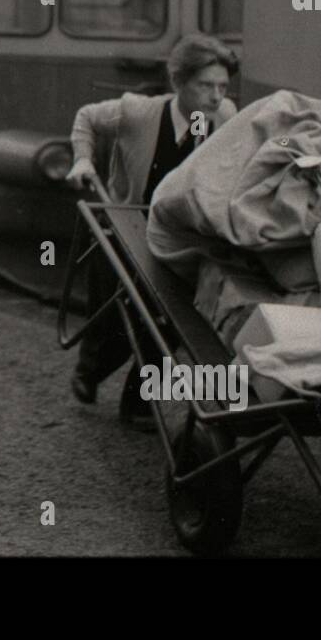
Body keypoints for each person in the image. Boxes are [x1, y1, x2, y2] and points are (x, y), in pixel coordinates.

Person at [64, 33, 239, 421]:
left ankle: (138, 400)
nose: (216, 96)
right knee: (113, 307)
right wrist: (82, 160)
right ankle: (89, 370)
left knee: (174, 314)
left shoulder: (225, 117)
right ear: (178, 82)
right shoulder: (140, 113)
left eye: (223, 87)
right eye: (206, 85)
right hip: (129, 224)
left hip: (179, 235)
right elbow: (86, 119)